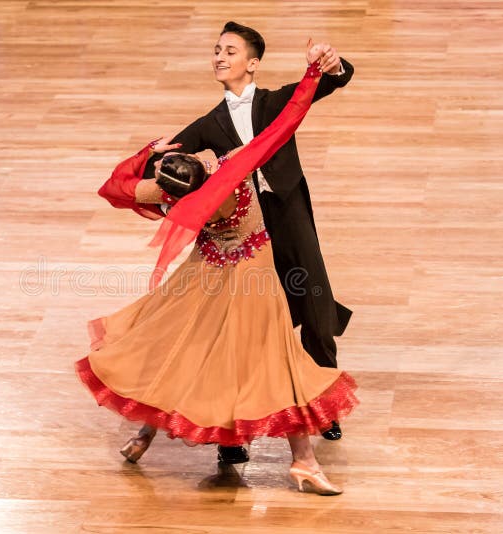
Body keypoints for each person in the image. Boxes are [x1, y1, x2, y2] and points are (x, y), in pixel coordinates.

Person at [77, 58, 358, 495]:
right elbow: (288, 120)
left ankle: (141, 438)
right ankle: (303, 460)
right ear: (202, 167)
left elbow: (113, 187)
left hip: (203, 276)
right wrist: (311, 76)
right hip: (252, 276)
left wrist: (149, 153)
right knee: (272, 358)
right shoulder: (230, 173)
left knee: (176, 348)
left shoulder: (173, 199)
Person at [144, 23, 354, 450]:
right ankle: (230, 437)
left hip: (288, 218)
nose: (220, 57)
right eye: (217, 50)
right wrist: (154, 153)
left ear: (252, 63)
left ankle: (323, 407)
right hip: (242, 234)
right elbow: (162, 166)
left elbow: (336, 79)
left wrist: (333, 62)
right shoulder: (210, 123)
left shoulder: (277, 102)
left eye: (231, 51)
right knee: (234, 327)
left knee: (314, 308)